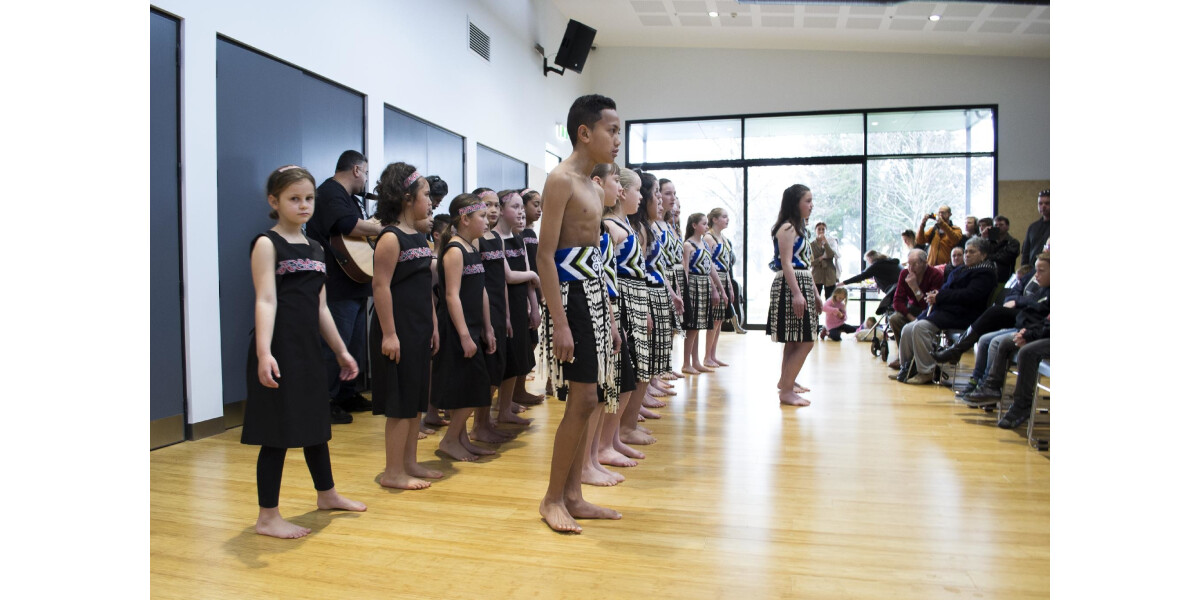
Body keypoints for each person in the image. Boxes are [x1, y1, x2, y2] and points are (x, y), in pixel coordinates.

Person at [242, 165, 366, 539]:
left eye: (309, 198)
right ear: (274, 201)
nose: (303, 205)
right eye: (294, 199)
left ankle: (326, 494)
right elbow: (265, 299)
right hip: (279, 348)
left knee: (316, 426)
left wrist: (342, 352)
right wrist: (265, 354)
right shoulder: (266, 243)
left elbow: (321, 307)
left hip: (309, 349)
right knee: (276, 433)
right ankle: (267, 517)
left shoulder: (316, 247)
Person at [537, 94, 624, 533]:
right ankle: (553, 498)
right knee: (583, 398)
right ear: (584, 132)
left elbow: (597, 259)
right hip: (569, 299)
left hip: (591, 295)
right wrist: (560, 322)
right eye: (612, 130)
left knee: (592, 398)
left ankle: (573, 494)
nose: (617, 140)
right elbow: (545, 255)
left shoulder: (593, 185)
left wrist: (607, 311)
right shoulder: (561, 180)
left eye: (620, 132)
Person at [369, 162, 444, 489]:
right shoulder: (390, 237)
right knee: (400, 405)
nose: (430, 201)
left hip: (418, 327)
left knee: (415, 399)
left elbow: (424, 284)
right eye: (426, 194)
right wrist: (389, 334)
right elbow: (380, 286)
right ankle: (392, 472)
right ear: (406, 197)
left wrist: (434, 325)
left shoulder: (420, 236)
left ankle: (410, 462)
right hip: (396, 329)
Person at [308, 150, 380, 424]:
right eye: (366, 172)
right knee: (333, 343)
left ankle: (346, 394)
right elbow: (346, 225)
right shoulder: (330, 192)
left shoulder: (351, 198)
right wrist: (381, 228)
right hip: (336, 283)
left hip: (355, 280)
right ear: (357, 170)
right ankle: (324, 400)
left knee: (355, 343)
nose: (366, 179)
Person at [431, 193, 498, 461]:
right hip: (458, 329)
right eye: (481, 216)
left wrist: (488, 327)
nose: (486, 220)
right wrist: (464, 335)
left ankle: (461, 439)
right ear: (465, 218)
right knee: (471, 388)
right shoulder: (455, 251)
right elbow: (451, 296)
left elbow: (480, 290)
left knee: (474, 386)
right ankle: (449, 440)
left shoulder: (472, 247)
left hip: (473, 327)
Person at [598, 166, 656, 470]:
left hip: (635, 298)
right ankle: (606, 441)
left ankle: (614, 437)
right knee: (622, 379)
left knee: (631, 377)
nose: (640, 196)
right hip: (622, 302)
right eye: (637, 190)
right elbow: (611, 275)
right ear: (621, 191)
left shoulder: (625, 225)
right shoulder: (611, 227)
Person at [940, 251, 1050, 395]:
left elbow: (1037, 304)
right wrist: (1019, 301)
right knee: (986, 338)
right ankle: (977, 382)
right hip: (1024, 318)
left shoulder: (1049, 281)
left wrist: (1018, 301)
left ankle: (988, 385)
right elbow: (1012, 292)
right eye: (1046, 246)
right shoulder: (1033, 273)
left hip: (1032, 323)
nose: (1036, 275)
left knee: (996, 316)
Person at [891, 237, 997, 385]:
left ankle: (926, 371)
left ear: (983, 255)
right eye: (966, 251)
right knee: (908, 328)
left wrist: (939, 296)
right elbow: (944, 291)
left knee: (920, 327)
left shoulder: (985, 273)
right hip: (947, 310)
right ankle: (907, 367)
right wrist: (936, 297)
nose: (966, 255)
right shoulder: (960, 270)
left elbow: (969, 295)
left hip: (964, 313)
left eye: (971, 252)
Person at [767, 184, 822, 406]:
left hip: (802, 282)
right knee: (806, 340)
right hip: (791, 284)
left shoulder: (800, 229)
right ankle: (786, 390)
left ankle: (787, 382)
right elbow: (787, 264)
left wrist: (816, 294)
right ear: (795, 203)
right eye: (807, 200)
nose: (811, 205)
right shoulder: (787, 228)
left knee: (794, 340)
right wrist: (798, 294)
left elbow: (805, 266)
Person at [472, 188, 519, 444]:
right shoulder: (475, 241)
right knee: (486, 371)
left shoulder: (496, 239)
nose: (492, 210)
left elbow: (501, 280)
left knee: (498, 368)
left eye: (494, 205)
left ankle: (485, 422)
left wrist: (508, 316)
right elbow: (479, 283)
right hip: (483, 310)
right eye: (486, 205)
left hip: (500, 309)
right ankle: (479, 425)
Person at [493, 190, 541, 428]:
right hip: (504, 304)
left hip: (521, 302)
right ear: (501, 210)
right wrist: (532, 274)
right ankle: (495, 411)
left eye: (522, 207)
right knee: (505, 360)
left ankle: (505, 408)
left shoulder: (519, 238)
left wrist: (534, 307)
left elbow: (529, 284)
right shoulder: (494, 239)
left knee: (518, 360)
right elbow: (509, 276)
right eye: (515, 206)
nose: (521, 211)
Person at [965, 313, 1050, 429]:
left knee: (1027, 352)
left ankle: (1022, 405)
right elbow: (1045, 319)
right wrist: (1028, 331)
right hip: (1041, 330)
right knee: (1003, 341)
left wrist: (1030, 335)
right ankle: (990, 386)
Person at [886, 249, 943, 369]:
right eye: (909, 264)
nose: (910, 268)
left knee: (920, 324)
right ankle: (904, 357)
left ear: (925, 262)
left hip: (930, 311)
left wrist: (915, 287)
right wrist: (911, 317)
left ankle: (920, 358)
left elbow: (928, 305)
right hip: (912, 309)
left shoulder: (935, 275)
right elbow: (897, 301)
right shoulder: (904, 273)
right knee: (895, 319)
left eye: (915, 264)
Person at [682, 212, 723, 374]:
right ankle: (686, 362)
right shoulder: (688, 245)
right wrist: (684, 292)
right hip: (693, 284)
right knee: (691, 326)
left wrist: (717, 288)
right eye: (704, 224)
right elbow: (685, 270)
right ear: (694, 225)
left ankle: (696, 360)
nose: (707, 227)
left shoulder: (705, 245)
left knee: (698, 326)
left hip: (704, 283)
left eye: (707, 223)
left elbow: (711, 268)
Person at [704, 207, 736, 367]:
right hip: (715, 279)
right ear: (714, 219)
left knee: (720, 320)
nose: (727, 219)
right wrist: (714, 287)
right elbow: (707, 264)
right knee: (714, 320)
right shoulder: (709, 238)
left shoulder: (724, 238)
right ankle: (707, 356)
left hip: (724, 277)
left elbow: (727, 265)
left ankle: (713, 354)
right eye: (724, 217)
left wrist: (729, 285)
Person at [982, 214, 1021, 283]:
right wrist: (983, 237)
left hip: (1005, 278)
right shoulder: (989, 241)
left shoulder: (1013, 242)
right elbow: (979, 253)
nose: (998, 227)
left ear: (1007, 227)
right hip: (987, 277)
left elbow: (1005, 258)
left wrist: (987, 256)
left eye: (1001, 225)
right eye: (996, 225)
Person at [810, 221, 841, 299]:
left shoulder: (831, 242)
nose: (821, 231)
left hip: (829, 274)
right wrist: (820, 258)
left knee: (830, 299)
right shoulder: (811, 245)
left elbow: (831, 254)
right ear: (815, 230)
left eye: (823, 229)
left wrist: (825, 243)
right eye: (819, 229)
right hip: (816, 274)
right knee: (815, 298)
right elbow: (810, 262)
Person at [1021, 189, 1050, 268]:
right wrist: (1024, 270)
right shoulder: (1033, 227)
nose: (1043, 206)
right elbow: (1026, 252)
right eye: (1040, 203)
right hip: (1032, 270)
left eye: (1047, 203)